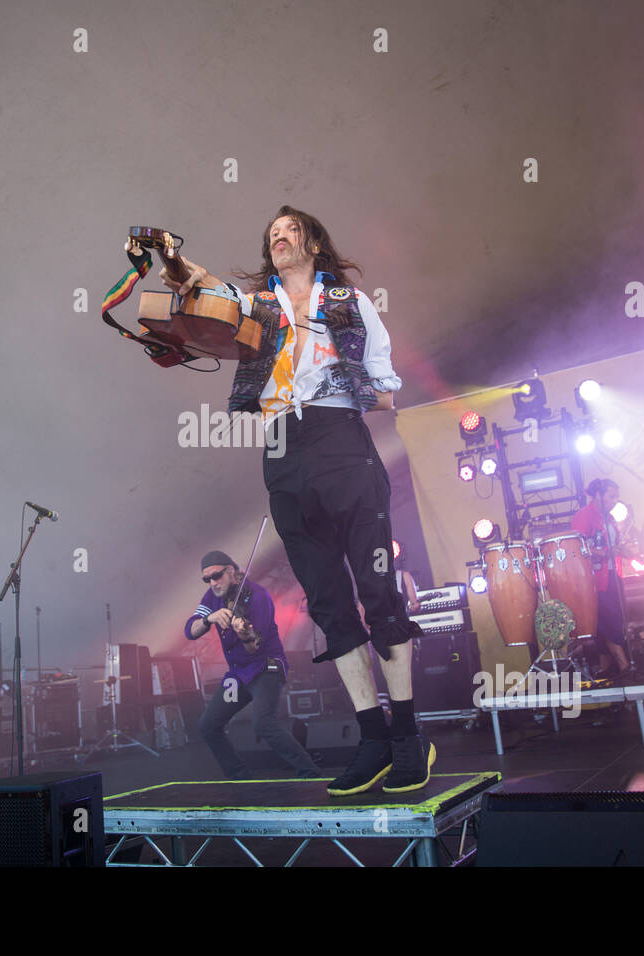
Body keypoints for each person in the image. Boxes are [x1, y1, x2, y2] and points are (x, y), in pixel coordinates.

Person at [163, 206, 432, 796]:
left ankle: (409, 735)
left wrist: (340, 372)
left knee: (378, 592)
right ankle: (373, 740)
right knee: (328, 605)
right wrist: (172, 260)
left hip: (341, 441)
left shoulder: (349, 302)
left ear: (311, 241)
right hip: (284, 451)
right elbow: (204, 287)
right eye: (271, 236)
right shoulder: (256, 305)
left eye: (289, 231)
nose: (279, 238)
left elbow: (386, 394)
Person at [184, 550, 321, 779]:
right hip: (237, 675)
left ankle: (310, 772)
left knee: (262, 722)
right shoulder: (212, 597)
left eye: (217, 576)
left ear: (231, 571)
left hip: (266, 667)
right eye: (207, 579)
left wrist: (244, 635)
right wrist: (209, 619)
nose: (213, 583)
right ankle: (239, 778)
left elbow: (255, 646)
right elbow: (190, 631)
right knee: (208, 725)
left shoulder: (258, 596)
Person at [570, 479, 633, 678]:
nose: (615, 501)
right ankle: (624, 666)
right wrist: (605, 553)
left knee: (615, 621)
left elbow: (613, 546)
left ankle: (606, 672)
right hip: (596, 580)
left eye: (617, 496)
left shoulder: (610, 518)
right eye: (611, 496)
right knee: (610, 621)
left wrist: (625, 551)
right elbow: (577, 548)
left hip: (613, 574)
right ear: (597, 495)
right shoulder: (584, 516)